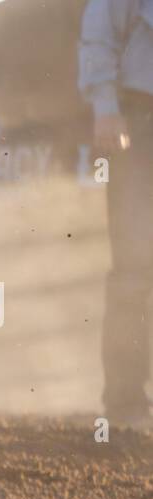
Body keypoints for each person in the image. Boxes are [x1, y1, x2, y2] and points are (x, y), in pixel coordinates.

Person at [80, 0, 153, 427]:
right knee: (133, 265)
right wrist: (106, 105)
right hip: (140, 120)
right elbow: (99, 30)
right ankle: (125, 403)